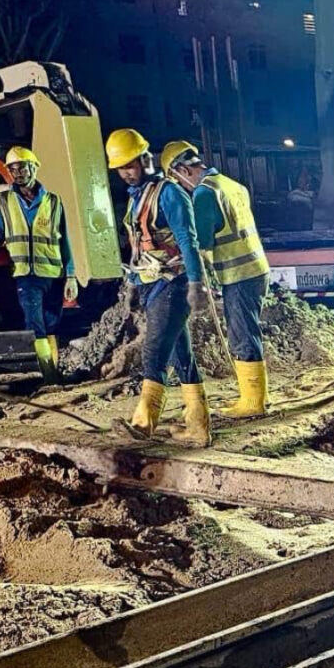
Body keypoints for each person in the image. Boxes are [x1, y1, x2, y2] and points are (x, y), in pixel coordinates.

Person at [171, 145, 273, 423]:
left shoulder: (205, 193)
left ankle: (253, 403)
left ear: (183, 171)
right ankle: (254, 395)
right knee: (246, 329)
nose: (182, 188)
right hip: (254, 267)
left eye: (179, 182)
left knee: (242, 333)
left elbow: (201, 239)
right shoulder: (230, 184)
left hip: (239, 273)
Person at [126, 140, 210, 445]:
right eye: (121, 167)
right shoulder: (137, 197)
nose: (126, 172)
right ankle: (198, 426)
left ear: (146, 160)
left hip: (173, 283)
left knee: (154, 350)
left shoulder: (169, 193)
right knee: (180, 354)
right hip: (152, 284)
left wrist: (195, 284)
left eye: (131, 165)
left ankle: (143, 422)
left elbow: (188, 241)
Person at [0, 145, 79, 375]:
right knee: (35, 325)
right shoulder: (3, 201)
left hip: (53, 274)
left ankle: (53, 369)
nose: (18, 172)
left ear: (34, 167)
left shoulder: (53, 202)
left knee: (51, 324)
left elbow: (65, 241)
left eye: (22, 167)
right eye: (13, 169)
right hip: (25, 274)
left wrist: (71, 275)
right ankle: (48, 376)